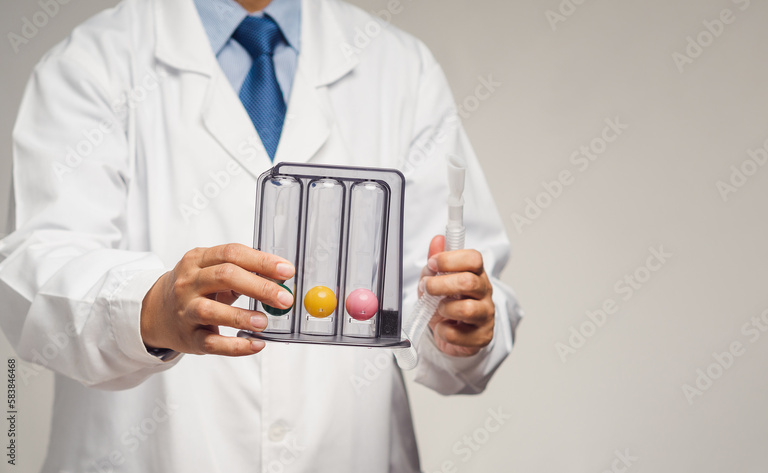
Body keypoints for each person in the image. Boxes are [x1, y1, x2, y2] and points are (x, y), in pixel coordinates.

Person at [0, 0, 522, 471]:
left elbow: (440, 288)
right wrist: (151, 309)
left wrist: (459, 324)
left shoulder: (400, 68)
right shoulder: (93, 59)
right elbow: (33, 275)